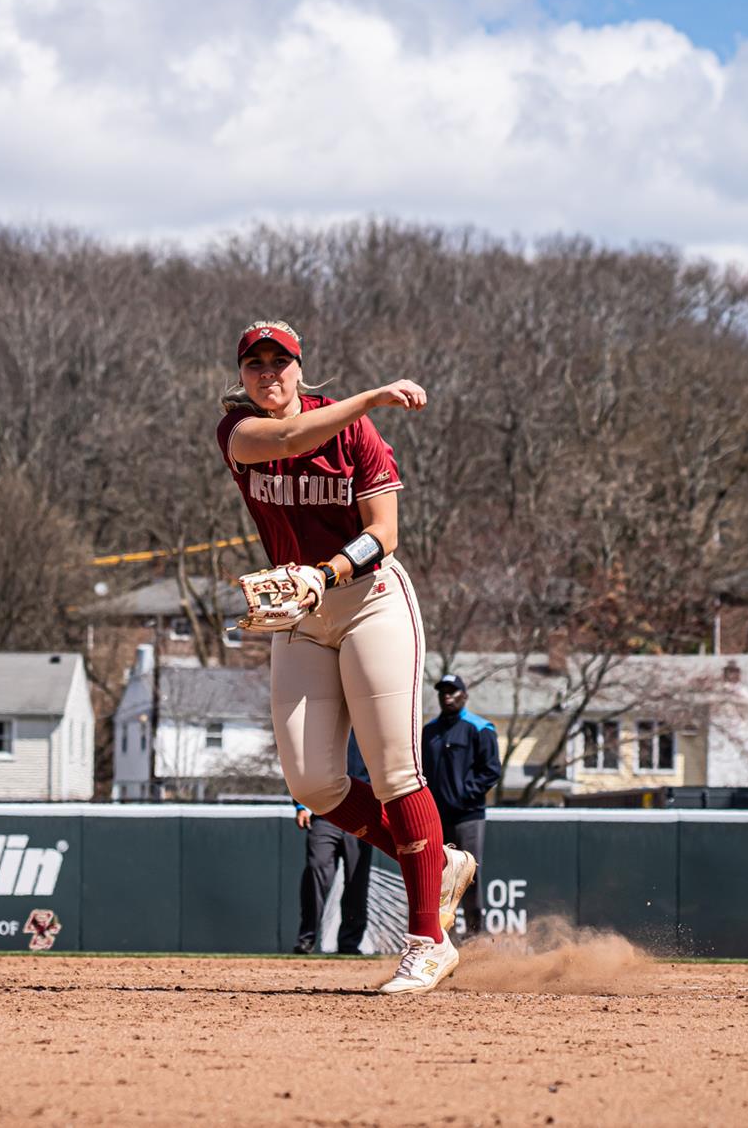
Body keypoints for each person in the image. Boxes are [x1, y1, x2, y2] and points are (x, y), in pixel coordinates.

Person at [217, 319, 475, 994]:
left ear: (301, 369)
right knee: (313, 784)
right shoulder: (239, 431)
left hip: (369, 601)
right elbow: (291, 437)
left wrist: (324, 573)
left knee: (394, 770)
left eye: (280, 361)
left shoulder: (358, 435)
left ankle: (428, 940)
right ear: (241, 375)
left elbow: (384, 532)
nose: (268, 373)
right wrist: (369, 396)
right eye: (255, 364)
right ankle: (438, 863)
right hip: (301, 614)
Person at [421, 673, 501, 939]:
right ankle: (442, 938)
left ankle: (476, 938)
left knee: (469, 877)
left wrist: (465, 794)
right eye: (443, 691)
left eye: (453, 691)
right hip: (437, 819)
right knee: (439, 879)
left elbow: (491, 771)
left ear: (464, 695)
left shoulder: (480, 728)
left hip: (468, 816)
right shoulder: (429, 731)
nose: (447, 695)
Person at [293, 733, 373, 955]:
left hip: (360, 814)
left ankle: (349, 942)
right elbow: (302, 764)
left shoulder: (369, 724)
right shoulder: (327, 719)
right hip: (325, 813)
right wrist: (300, 805)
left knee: (356, 881)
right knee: (316, 869)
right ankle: (306, 938)